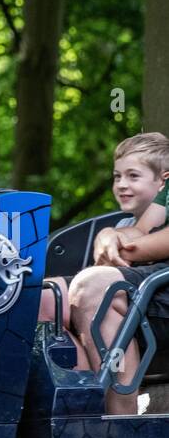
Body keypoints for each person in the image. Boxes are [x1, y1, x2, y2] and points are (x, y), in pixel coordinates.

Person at [66, 132, 169, 414]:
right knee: (42, 298)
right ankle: (80, 411)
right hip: (146, 286)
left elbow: (142, 244)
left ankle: (120, 420)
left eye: (133, 176)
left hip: (158, 288)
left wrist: (117, 247)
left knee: (94, 285)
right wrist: (110, 234)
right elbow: (139, 229)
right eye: (117, 176)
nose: (122, 184)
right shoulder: (163, 197)